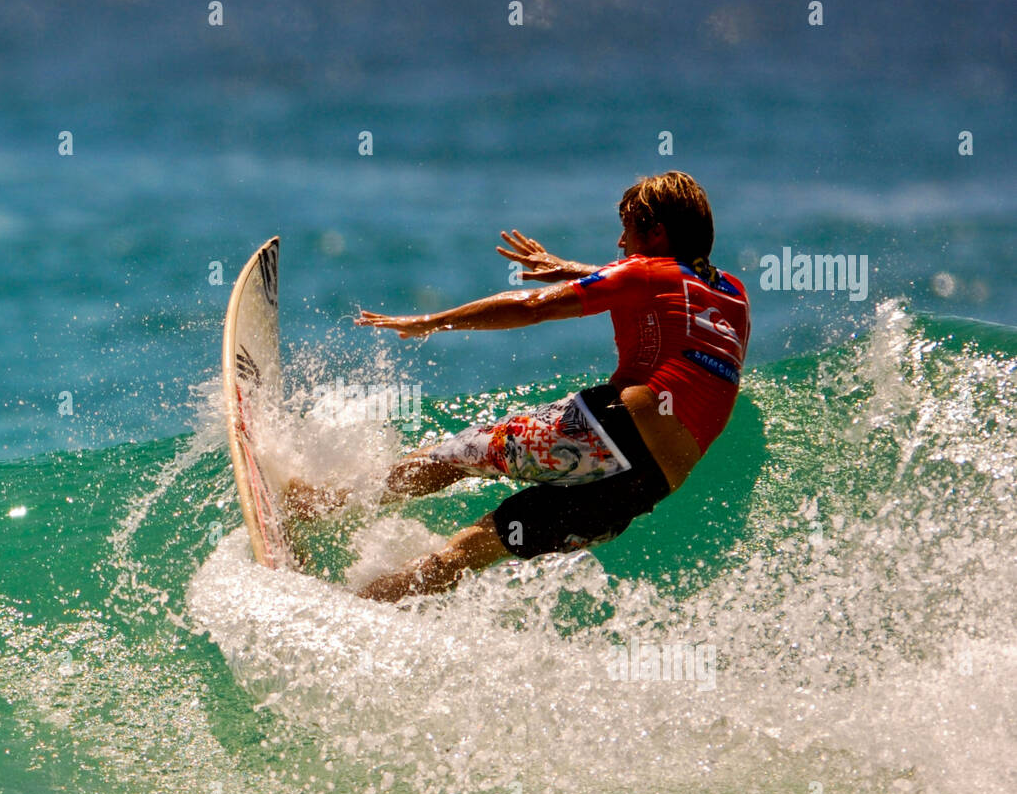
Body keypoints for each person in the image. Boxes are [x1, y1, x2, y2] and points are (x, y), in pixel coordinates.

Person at [292, 171, 751, 602]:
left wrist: (432, 321)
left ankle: (318, 503)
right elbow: (655, 280)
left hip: (613, 429)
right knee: (471, 550)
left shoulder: (646, 274)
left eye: (627, 230)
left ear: (656, 232)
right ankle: (357, 607)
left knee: (457, 454)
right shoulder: (734, 295)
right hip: (647, 485)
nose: (619, 242)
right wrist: (569, 269)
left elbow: (532, 306)